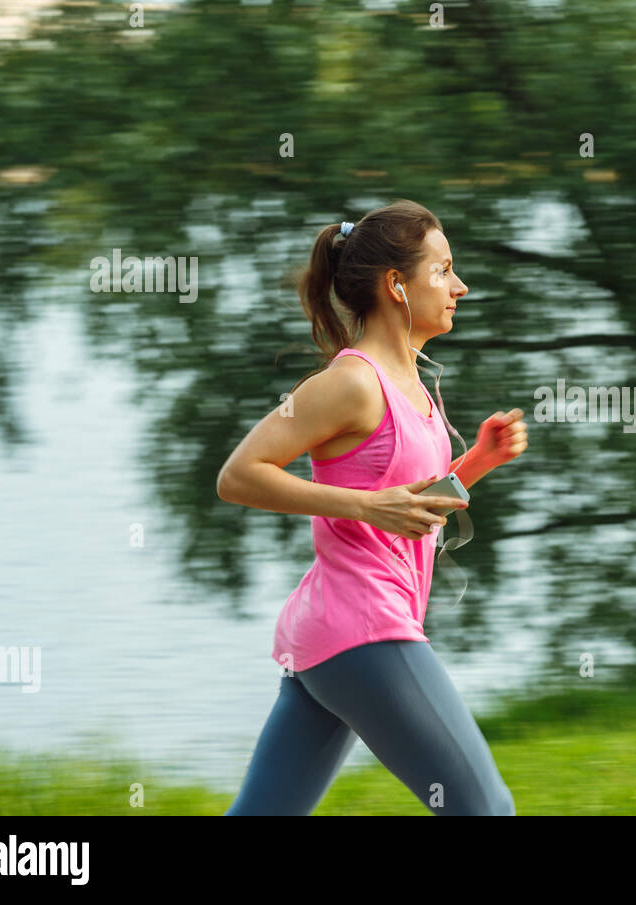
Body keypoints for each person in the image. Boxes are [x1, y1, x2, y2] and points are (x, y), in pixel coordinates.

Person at [216, 199, 526, 815]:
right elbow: (238, 475)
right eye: (442, 271)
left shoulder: (412, 382)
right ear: (396, 286)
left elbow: (403, 507)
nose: (460, 286)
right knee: (484, 810)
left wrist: (476, 464)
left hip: (334, 635)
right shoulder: (351, 382)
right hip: (364, 628)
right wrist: (364, 506)